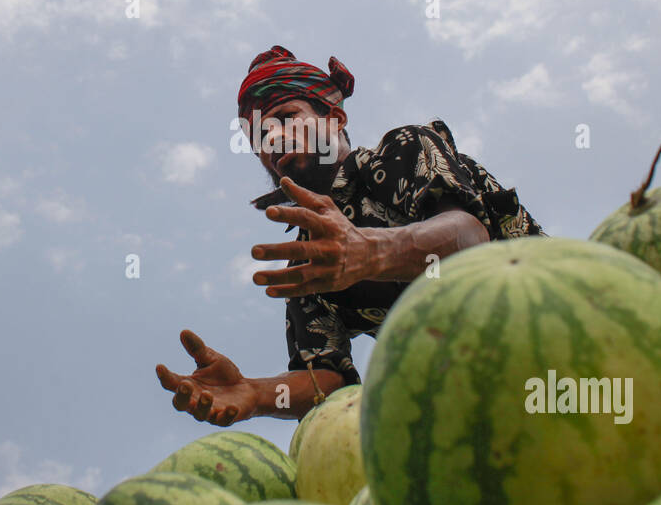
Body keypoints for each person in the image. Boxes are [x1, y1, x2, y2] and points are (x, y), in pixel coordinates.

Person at [155, 45, 544, 426]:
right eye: (257, 137)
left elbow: (470, 237)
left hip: (557, 325)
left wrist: (371, 252)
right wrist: (255, 393)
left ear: (335, 118)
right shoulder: (311, 263)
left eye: (286, 117)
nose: (270, 139)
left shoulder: (402, 151)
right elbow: (328, 378)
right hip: (489, 402)